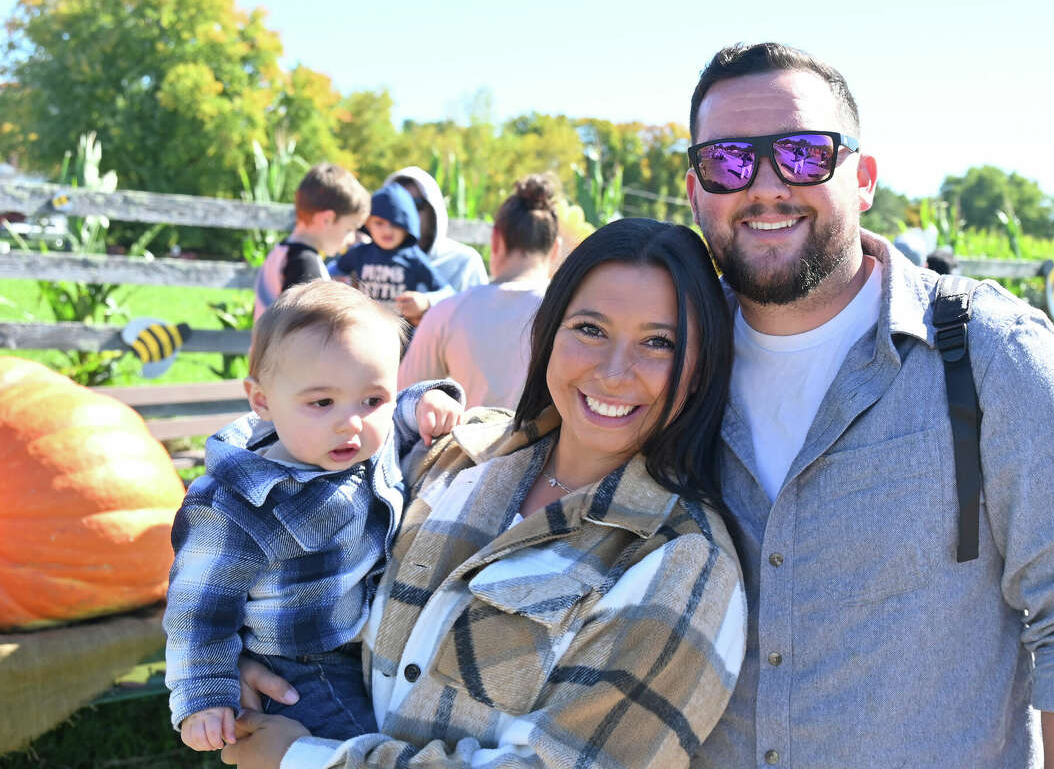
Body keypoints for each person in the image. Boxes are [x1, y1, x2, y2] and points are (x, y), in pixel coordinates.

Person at [683, 42, 1054, 769]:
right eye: (729, 161)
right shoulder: (668, 364)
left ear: (863, 177)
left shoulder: (995, 355)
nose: (767, 185)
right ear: (695, 191)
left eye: (806, 154)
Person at [220, 218, 747, 769]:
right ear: (547, 330)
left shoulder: (684, 566)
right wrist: (250, 659)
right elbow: (294, 558)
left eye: (659, 342)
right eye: (590, 329)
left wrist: (305, 759)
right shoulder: (451, 453)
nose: (615, 371)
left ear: (700, 364)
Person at [165, 281, 464, 752]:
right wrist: (202, 695)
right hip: (297, 660)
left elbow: (397, 419)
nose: (352, 421)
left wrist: (426, 402)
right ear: (262, 401)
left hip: (361, 636)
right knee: (354, 748)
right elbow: (199, 610)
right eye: (322, 402)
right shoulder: (238, 506)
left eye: (371, 399)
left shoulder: (355, 442)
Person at [396, 173, 562, 408]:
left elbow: (405, 398)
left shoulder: (448, 312)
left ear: (495, 241)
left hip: (467, 442)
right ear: (555, 249)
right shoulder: (568, 313)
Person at [253, 164, 370, 320]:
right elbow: (310, 331)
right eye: (349, 229)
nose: (351, 240)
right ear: (326, 219)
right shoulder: (304, 265)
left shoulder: (283, 252)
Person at [385, 167, 489, 323]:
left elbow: (480, 320)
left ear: (433, 211)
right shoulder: (366, 257)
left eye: (415, 205)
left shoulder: (465, 261)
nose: (404, 214)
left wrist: (428, 305)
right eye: (395, 205)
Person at [328, 184, 447, 312]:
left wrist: (426, 301)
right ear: (367, 224)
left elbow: (447, 292)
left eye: (396, 224)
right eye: (379, 223)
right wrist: (336, 282)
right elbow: (328, 273)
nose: (387, 230)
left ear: (408, 226)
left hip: (399, 328)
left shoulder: (414, 258)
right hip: (361, 325)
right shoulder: (358, 253)